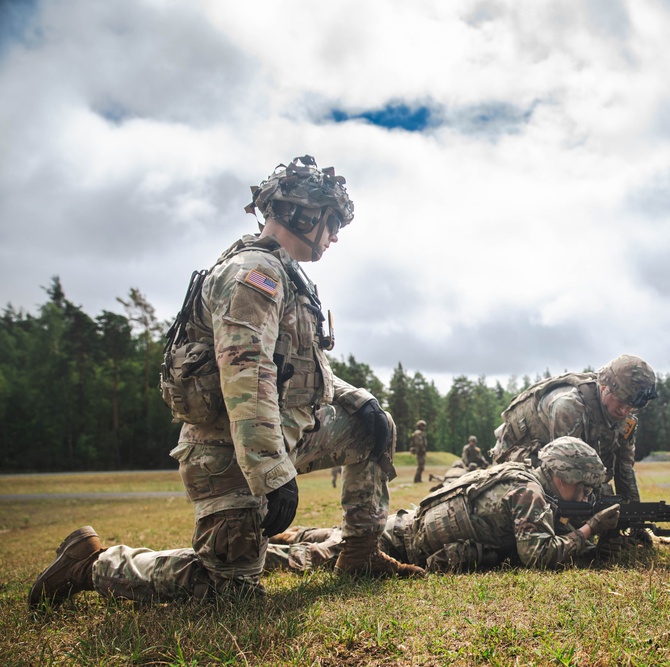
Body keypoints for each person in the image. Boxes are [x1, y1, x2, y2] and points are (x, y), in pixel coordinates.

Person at [29, 155, 423, 610]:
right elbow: (246, 373)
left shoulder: (286, 275)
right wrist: (272, 473)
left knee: (374, 425)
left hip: (286, 434)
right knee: (229, 589)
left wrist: (359, 400)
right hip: (227, 453)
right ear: (304, 213)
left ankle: (360, 554)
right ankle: (93, 565)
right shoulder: (255, 275)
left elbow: (301, 369)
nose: (334, 236)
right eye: (332, 222)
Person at [265, 437, 622, 573]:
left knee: (336, 538)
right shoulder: (530, 495)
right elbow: (539, 557)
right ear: (563, 476)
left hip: (405, 526)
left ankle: (292, 534)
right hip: (403, 546)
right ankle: (251, 559)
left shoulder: (522, 476)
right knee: (318, 559)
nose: (587, 497)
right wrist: (591, 529)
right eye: (583, 487)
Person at [489, 354, 657, 503]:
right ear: (605, 387)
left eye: (632, 407)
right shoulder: (569, 407)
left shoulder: (625, 416)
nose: (625, 411)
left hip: (555, 461)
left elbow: (624, 468)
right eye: (621, 402)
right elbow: (565, 471)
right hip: (520, 458)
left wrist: (633, 517)